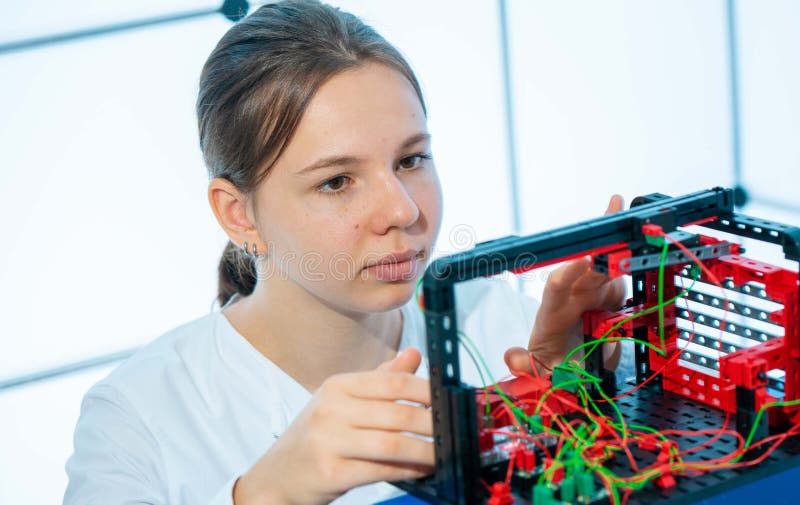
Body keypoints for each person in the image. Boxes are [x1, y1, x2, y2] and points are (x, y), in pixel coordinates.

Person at [63, 1, 624, 504]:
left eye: (411, 160)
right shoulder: (136, 420)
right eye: (336, 181)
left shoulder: (503, 327)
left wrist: (574, 398)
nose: (403, 211)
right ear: (239, 214)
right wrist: (262, 496)